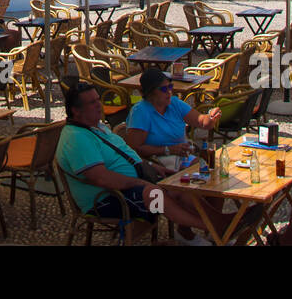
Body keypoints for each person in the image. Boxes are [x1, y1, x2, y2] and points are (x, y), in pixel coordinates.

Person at [56, 80, 228, 246]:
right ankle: (216, 228)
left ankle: (223, 222)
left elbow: (126, 154)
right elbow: (101, 179)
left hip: (132, 187)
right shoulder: (76, 137)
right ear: (76, 111)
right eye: (92, 103)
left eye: (97, 100)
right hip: (106, 200)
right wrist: (139, 182)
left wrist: (153, 167)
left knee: (179, 186)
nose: (99, 105)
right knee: (155, 194)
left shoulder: (97, 127)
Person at [125, 68, 221, 166]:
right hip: (155, 163)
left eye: (170, 87)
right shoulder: (141, 112)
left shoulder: (175, 103)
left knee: (208, 168)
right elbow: (134, 149)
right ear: (150, 93)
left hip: (181, 158)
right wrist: (167, 150)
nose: (169, 91)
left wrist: (211, 117)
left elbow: (201, 121)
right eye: (163, 89)